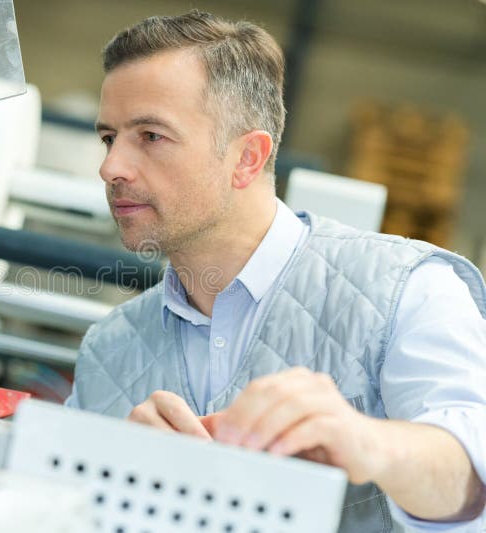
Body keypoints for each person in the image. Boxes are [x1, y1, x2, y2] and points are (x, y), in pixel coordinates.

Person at [64, 11, 486, 532]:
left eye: (150, 135)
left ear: (247, 157)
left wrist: (368, 442)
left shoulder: (405, 289)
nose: (110, 167)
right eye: (109, 138)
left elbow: (472, 468)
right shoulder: (109, 351)